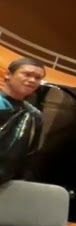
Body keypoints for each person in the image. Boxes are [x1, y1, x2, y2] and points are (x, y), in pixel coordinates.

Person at [0, 57, 45, 187]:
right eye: (27, 74)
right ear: (8, 75)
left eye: (37, 78)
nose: (32, 80)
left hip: (6, 186)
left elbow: (30, 157)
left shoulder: (35, 115)